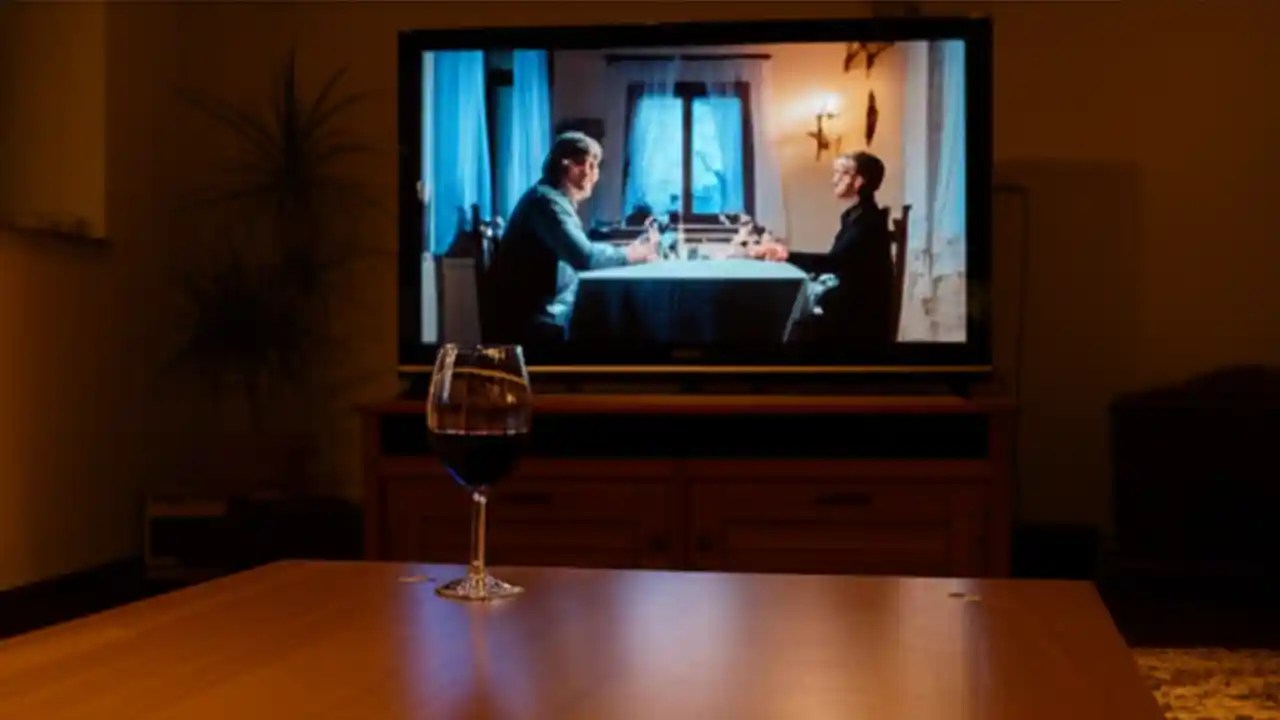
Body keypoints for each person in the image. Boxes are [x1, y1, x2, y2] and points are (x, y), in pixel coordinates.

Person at [484, 132, 657, 345]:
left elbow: (582, 252)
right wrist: (631, 254)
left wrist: (625, 252)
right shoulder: (546, 203)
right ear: (570, 168)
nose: (595, 176)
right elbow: (584, 257)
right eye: (591, 165)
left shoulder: (551, 200)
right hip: (534, 323)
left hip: (541, 314)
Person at [751, 151, 895, 347]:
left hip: (858, 324)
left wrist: (784, 255)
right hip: (849, 309)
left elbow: (834, 263)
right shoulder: (857, 216)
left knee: (786, 325)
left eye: (841, 173)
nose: (833, 180)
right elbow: (838, 263)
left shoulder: (867, 222)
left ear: (859, 181)